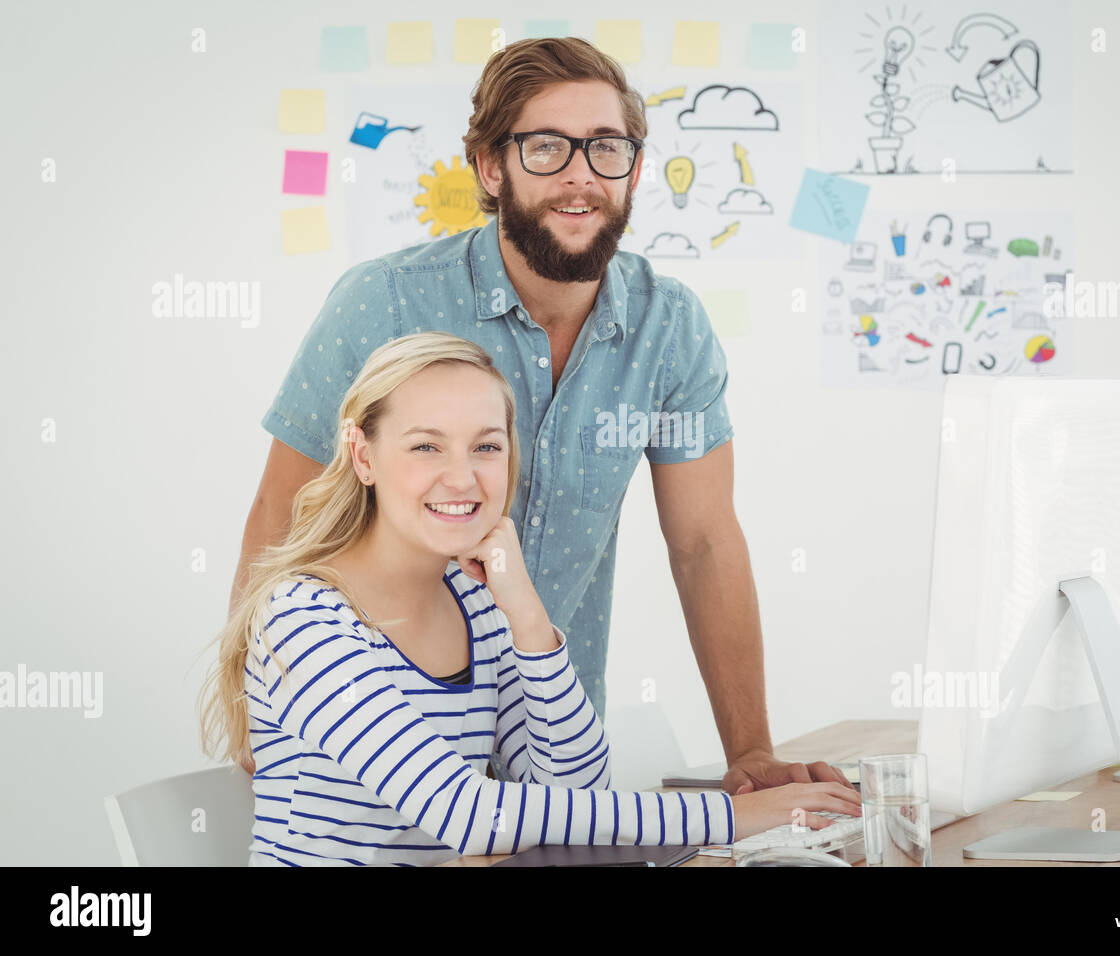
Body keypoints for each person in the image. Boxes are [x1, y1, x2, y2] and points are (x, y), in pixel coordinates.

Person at [231, 35, 850, 795]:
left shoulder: (670, 329)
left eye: (606, 149)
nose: (580, 176)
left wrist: (750, 753)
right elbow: (280, 510)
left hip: (553, 747)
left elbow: (704, 543)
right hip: (381, 733)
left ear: (635, 168)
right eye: (547, 148)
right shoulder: (385, 301)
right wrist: (251, 705)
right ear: (493, 167)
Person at [200, 333, 861, 865]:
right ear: (362, 455)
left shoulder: (473, 598)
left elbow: (574, 789)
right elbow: (466, 814)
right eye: (425, 445)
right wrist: (731, 816)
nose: (462, 476)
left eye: (486, 446)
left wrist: (527, 615)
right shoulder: (304, 619)